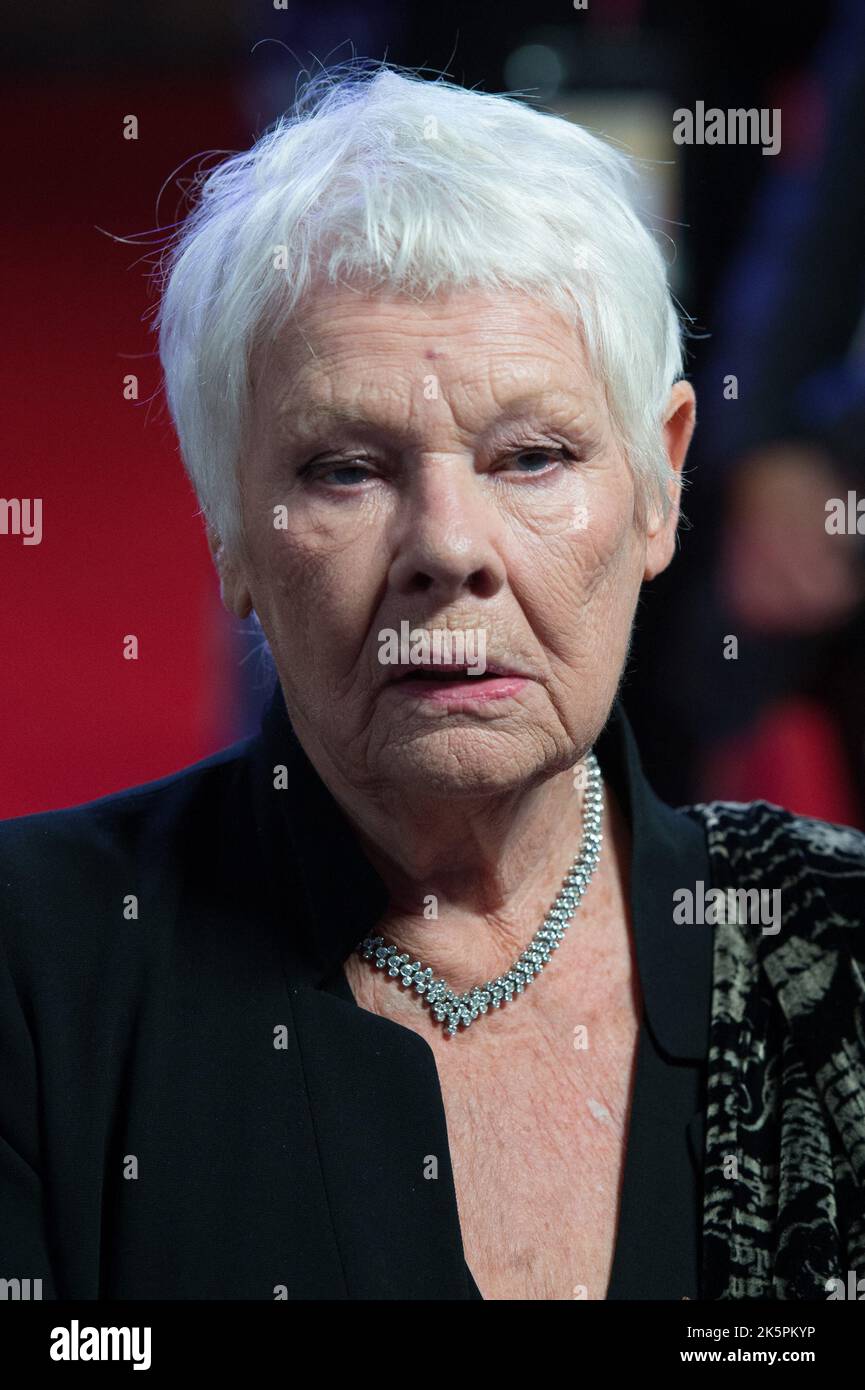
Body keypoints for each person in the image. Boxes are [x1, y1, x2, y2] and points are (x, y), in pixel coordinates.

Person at [1, 62, 863, 1302]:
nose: (448, 549)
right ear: (228, 531)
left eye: (531, 456)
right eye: (347, 468)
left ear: (660, 486)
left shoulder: (836, 945)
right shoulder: (33, 971)